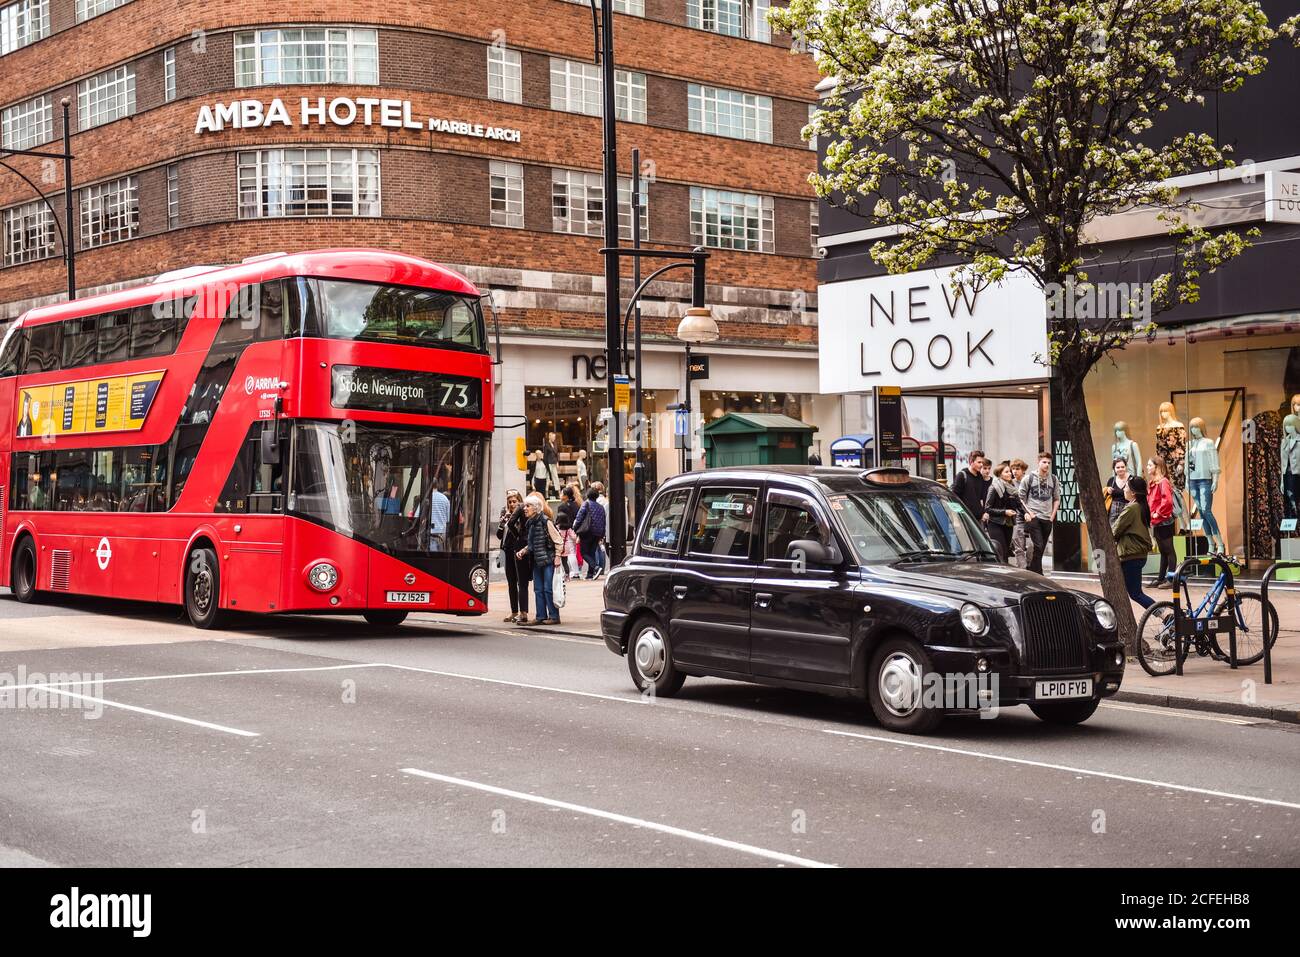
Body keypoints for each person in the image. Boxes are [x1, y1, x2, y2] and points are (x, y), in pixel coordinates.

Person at [516, 492, 563, 625]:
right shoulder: (531, 523)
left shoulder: (546, 521)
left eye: (528, 506)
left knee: (548, 589)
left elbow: (558, 540)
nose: (525, 508)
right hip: (537, 561)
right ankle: (540, 616)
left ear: (536, 508)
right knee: (538, 589)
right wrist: (523, 551)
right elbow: (531, 544)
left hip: (548, 560)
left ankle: (554, 617)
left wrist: (558, 556)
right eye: (525, 506)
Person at [1113, 475, 1155, 611]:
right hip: (1137, 555)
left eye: (1126, 487)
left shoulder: (1132, 508)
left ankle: (1166, 616)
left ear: (1133, 492)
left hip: (1131, 556)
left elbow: (1115, 531)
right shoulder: (1140, 506)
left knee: (1136, 594)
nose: (1123, 489)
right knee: (1132, 592)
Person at [495, 490, 532, 623]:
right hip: (507, 549)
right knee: (511, 582)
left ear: (519, 501)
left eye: (514, 501)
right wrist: (502, 523)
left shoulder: (523, 513)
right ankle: (514, 611)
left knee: (521, 582)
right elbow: (499, 536)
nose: (511, 504)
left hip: (518, 549)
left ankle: (523, 612)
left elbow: (523, 531)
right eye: (510, 502)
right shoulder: (506, 514)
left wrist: (516, 534)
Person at [1020, 452, 1059, 575]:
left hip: (1047, 518)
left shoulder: (1053, 479)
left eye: (1048, 462)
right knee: (1038, 545)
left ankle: (1035, 571)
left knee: (1041, 548)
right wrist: (1029, 512)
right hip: (1034, 517)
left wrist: (1052, 516)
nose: (1047, 464)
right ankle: (1036, 572)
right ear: (1039, 462)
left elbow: (1057, 498)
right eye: (1044, 462)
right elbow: (1020, 497)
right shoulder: (1029, 478)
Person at [982, 461, 1024, 563]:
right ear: (1000, 474)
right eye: (1006, 472)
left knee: (1006, 552)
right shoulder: (994, 487)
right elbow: (987, 508)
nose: (1010, 473)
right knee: (1001, 551)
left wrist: (1027, 513)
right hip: (996, 523)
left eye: (1009, 471)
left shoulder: (1012, 488)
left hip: (1009, 523)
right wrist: (1005, 512)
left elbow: (1019, 505)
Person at [1146, 455, 1177, 589]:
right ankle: (1161, 578)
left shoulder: (1163, 482)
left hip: (1164, 520)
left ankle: (1171, 579)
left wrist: (1158, 512)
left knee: (1169, 550)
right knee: (1163, 551)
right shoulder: (1154, 482)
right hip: (1156, 521)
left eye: (1150, 465)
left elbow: (1167, 501)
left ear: (1157, 467)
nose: (1147, 467)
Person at [574, 487, 607, 580]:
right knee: (591, 552)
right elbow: (603, 521)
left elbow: (579, 517)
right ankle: (590, 574)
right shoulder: (601, 507)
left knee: (583, 552)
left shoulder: (586, 504)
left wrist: (575, 528)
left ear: (587, 495)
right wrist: (602, 534)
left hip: (587, 531)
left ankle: (596, 567)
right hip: (598, 533)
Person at [950, 449, 989, 517]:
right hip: (966, 519)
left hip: (978, 519)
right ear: (971, 462)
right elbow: (953, 498)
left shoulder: (980, 476)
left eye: (982, 462)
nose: (981, 465)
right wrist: (959, 516)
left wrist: (983, 512)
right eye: (979, 462)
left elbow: (980, 499)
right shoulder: (962, 476)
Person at [555, 485, 580, 577]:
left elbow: (558, 520)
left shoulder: (562, 506)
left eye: (562, 493)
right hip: (574, 530)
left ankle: (574, 572)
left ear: (566, 495)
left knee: (569, 553)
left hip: (564, 531)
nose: (560, 495)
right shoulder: (576, 505)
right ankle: (574, 571)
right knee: (572, 551)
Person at [1009, 458, 1029, 568]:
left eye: (1017, 469)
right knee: (1018, 547)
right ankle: (1023, 569)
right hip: (1017, 518)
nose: (1015, 471)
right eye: (1013, 469)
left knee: (1032, 547)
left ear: (1023, 470)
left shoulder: (1029, 482)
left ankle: (1030, 567)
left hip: (1030, 516)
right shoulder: (1010, 483)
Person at [1105, 457, 1130, 524]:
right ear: (1114, 469)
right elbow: (1106, 496)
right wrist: (1108, 491)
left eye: (1122, 467)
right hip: (1113, 512)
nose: (1120, 469)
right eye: (1118, 467)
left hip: (1128, 510)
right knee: (1112, 531)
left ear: (1126, 467)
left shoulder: (1132, 479)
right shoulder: (1111, 480)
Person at [544, 432, 561, 496]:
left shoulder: (555, 444)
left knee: (556, 478)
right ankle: (546, 493)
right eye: (553, 437)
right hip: (549, 463)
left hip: (554, 463)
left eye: (555, 437)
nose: (554, 438)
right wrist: (546, 466)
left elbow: (556, 454)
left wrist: (557, 462)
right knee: (548, 478)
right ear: (549, 437)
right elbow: (545, 457)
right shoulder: (546, 445)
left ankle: (558, 493)